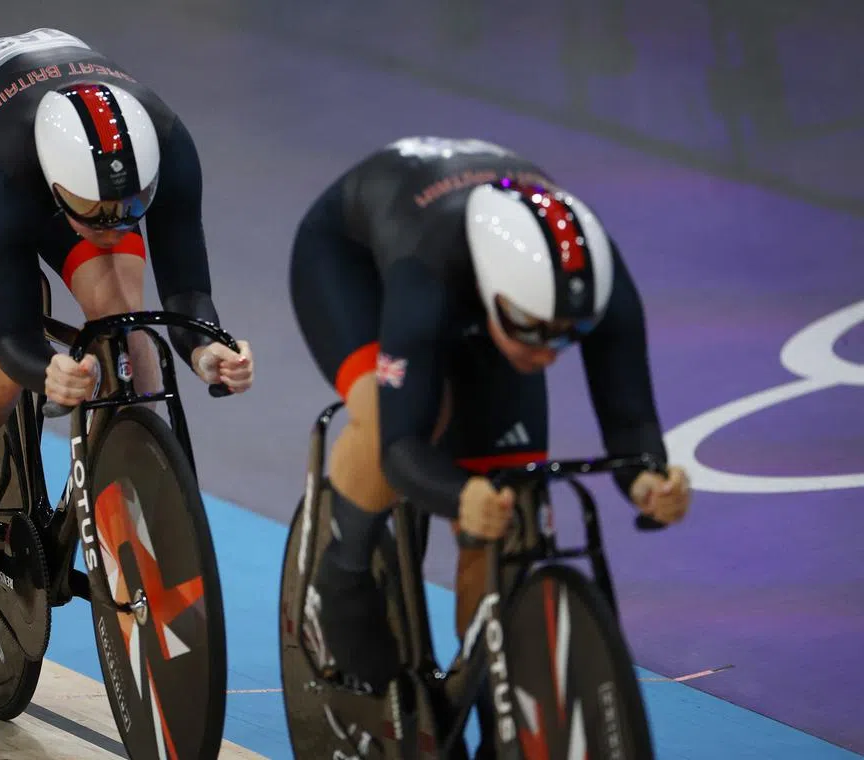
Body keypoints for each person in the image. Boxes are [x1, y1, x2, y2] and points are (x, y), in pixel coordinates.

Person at [288, 136, 691, 702]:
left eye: (567, 335)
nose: (548, 355)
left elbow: (629, 412)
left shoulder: (599, 278)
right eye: (532, 330)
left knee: (511, 514)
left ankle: (487, 700)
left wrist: (646, 477)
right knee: (390, 413)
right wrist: (456, 495)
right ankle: (343, 571)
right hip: (356, 263)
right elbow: (402, 446)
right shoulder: (428, 274)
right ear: (496, 294)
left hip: (470, 284)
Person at [0, 28, 254, 598]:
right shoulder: (8, 172)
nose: (112, 225)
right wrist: (45, 368)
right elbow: (17, 332)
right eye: (95, 213)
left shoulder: (168, 144)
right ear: (59, 188)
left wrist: (206, 348)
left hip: (80, 166)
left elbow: (188, 292)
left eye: (130, 210)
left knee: (127, 321)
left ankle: (131, 491)